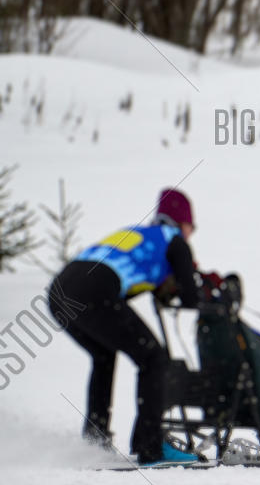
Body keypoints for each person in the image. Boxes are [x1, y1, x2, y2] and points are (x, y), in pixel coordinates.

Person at [47, 188, 204, 464]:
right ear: (183, 222)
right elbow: (191, 297)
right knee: (153, 358)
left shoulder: (137, 234)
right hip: (94, 289)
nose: (192, 233)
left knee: (104, 356)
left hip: (60, 290)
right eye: (193, 226)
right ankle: (151, 448)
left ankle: (95, 441)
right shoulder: (175, 240)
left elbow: (132, 274)